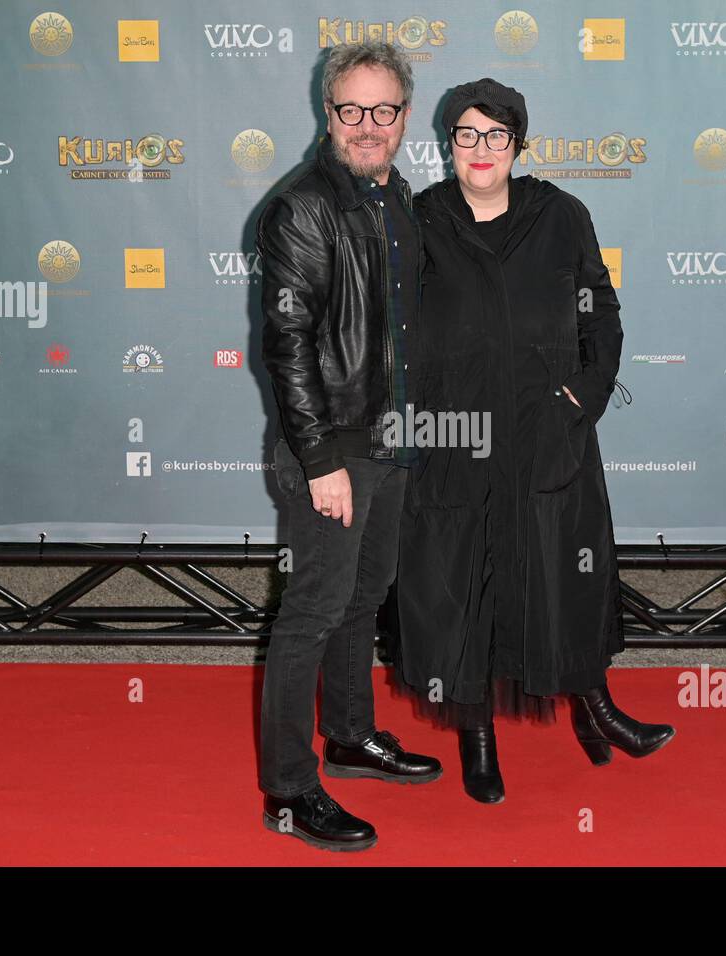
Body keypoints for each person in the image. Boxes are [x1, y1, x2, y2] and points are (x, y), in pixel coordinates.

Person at [387, 78, 675, 804]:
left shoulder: (561, 216)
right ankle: (478, 736)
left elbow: (599, 312)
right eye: (466, 135)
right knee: (463, 588)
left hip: (549, 430)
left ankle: (596, 707)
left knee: (565, 574)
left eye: (496, 136)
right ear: (447, 143)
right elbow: (393, 331)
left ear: (518, 145)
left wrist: (583, 395)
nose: (481, 150)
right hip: (459, 438)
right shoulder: (420, 220)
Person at [255, 41, 440, 852]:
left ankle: (350, 735)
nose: (368, 126)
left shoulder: (395, 195)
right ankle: (290, 792)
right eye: (351, 110)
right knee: (313, 612)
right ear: (327, 114)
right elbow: (288, 345)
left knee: (366, 597)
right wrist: (322, 459)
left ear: (403, 116)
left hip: (392, 437)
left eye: (384, 110)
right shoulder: (303, 205)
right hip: (331, 449)